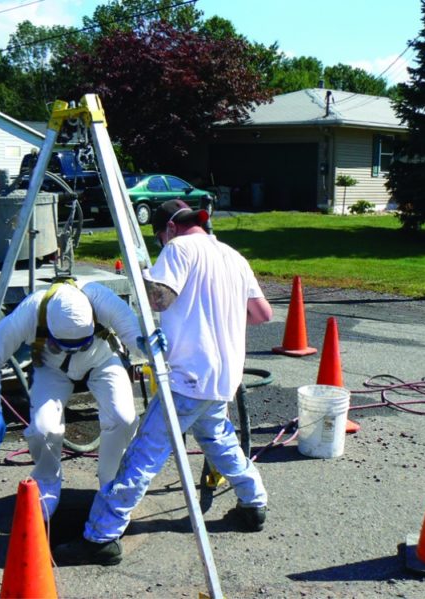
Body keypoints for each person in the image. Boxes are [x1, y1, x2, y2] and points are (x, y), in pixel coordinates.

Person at [54, 199, 273, 565]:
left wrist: (143, 273)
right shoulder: (233, 256)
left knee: (143, 456)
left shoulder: (178, 248)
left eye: (159, 237)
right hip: (222, 378)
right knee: (219, 440)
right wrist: (217, 313)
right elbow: (261, 314)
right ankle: (254, 504)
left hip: (187, 378)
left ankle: (101, 537)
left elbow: (159, 299)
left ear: (168, 228)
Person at [0, 280, 143, 520]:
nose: (72, 350)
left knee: (124, 418)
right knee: (44, 429)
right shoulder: (32, 311)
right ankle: (46, 482)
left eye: (78, 345)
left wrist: (147, 345)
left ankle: (111, 484)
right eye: (65, 345)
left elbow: (134, 333)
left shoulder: (101, 299)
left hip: (101, 359)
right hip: (52, 367)